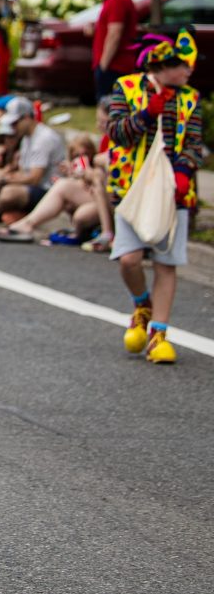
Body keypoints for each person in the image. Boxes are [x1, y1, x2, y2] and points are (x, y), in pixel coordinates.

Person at [103, 31, 203, 365]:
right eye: (182, 65)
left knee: (166, 261)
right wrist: (147, 115)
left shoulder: (190, 99)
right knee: (129, 259)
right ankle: (141, 303)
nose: (190, 70)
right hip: (131, 188)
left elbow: (194, 143)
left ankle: (158, 334)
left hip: (173, 193)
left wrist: (184, 172)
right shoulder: (126, 88)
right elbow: (115, 132)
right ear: (163, 65)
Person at [0, 98, 70, 230]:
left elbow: (34, 178)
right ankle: (7, 212)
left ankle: (7, 213)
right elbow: (22, 171)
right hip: (31, 187)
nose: (13, 127)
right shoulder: (26, 137)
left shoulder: (43, 138)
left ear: (27, 118)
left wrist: (3, 180)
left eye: (15, 123)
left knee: (8, 193)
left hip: (47, 188)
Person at [90, 0, 143, 101]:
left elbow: (115, 34)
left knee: (108, 114)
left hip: (115, 66)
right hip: (114, 65)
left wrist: (103, 66)